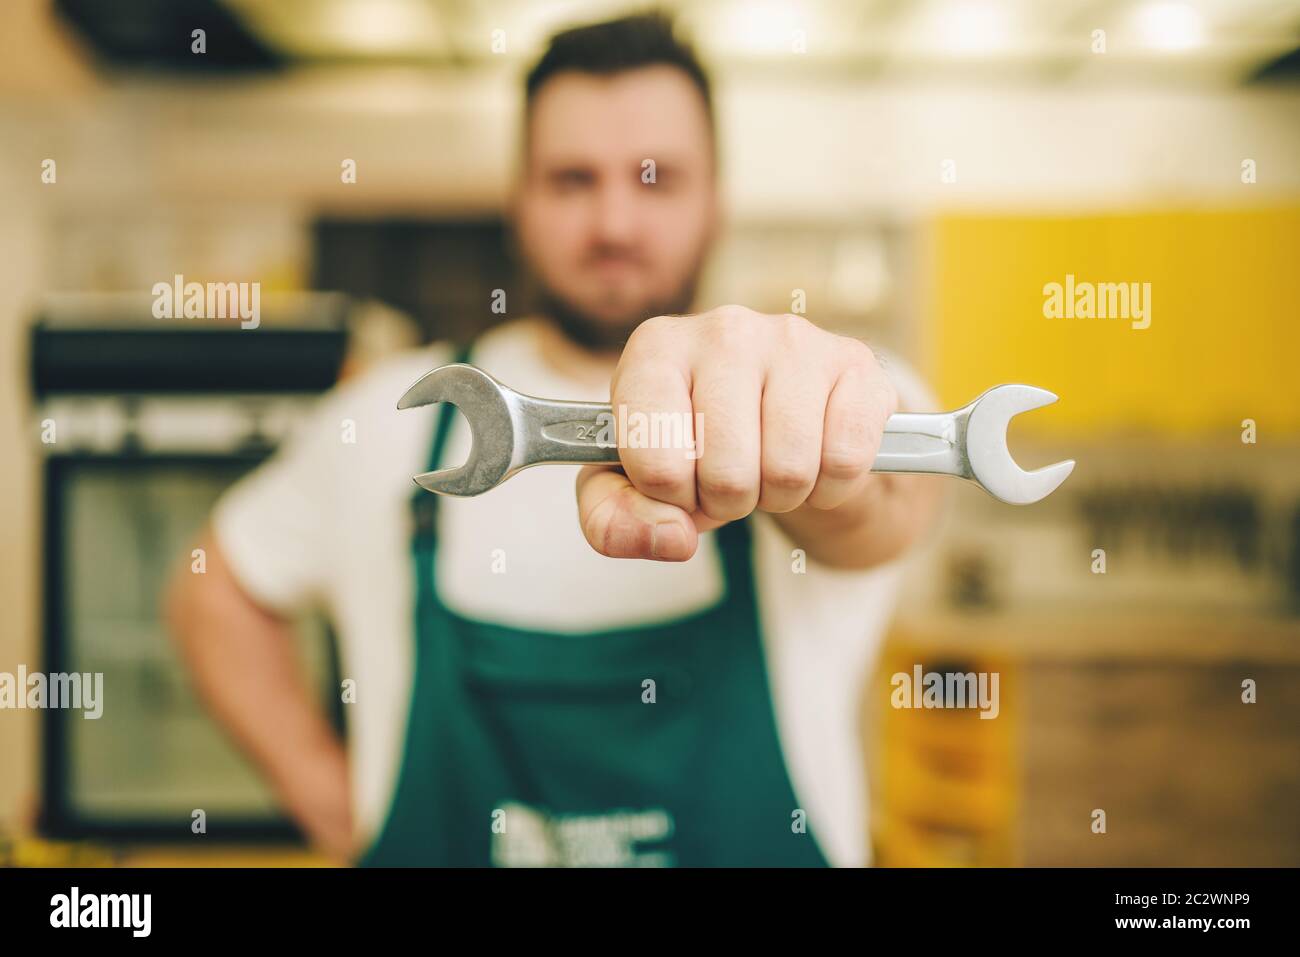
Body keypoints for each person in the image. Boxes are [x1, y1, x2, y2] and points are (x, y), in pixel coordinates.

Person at [165, 12, 944, 868]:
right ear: (519, 200)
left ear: (716, 198)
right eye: (574, 180)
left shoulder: (810, 393)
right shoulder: (382, 424)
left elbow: (883, 508)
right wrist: (342, 807)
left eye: (657, 180)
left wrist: (813, 449)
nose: (614, 222)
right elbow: (213, 592)